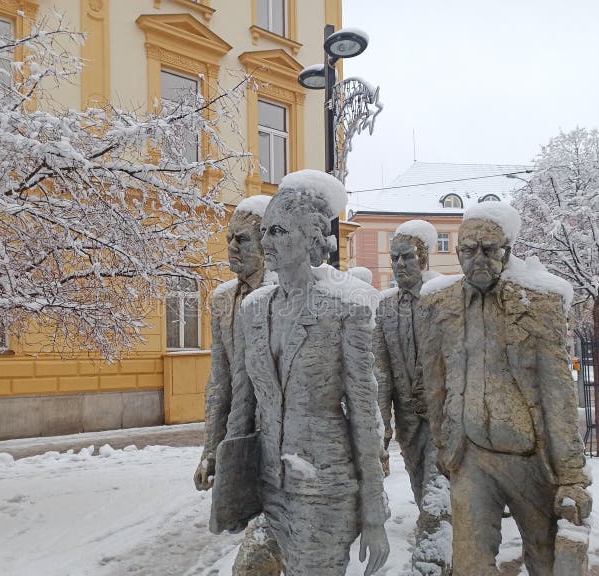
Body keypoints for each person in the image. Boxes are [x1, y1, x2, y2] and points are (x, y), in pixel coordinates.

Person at [225, 169, 389, 576]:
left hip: (325, 487)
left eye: (278, 231)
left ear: (311, 238)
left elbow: (365, 417)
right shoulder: (254, 311)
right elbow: (242, 401)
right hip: (270, 482)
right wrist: (228, 467)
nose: (266, 242)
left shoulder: (343, 311)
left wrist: (374, 514)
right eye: (265, 231)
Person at [420, 203, 591, 576]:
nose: (478, 259)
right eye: (468, 250)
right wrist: (444, 446)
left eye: (489, 249)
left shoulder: (539, 306)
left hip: (529, 457)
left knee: (544, 559)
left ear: (507, 252)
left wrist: (571, 477)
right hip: (470, 458)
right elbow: (434, 388)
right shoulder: (438, 306)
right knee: (469, 564)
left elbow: (558, 395)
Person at [193, 195, 281, 576]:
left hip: (285, 442)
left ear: (266, 242)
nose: (231, 247)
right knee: (249, 527)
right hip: (241, 441)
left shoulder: (289, 293)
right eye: (229, 238)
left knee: (263, 551)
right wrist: (212, 450)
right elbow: (220, 381)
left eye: (242, 239)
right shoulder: (221, 299)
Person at [373, 220, 451, 576]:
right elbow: (381, 373)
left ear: (423, 259)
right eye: (394, 258)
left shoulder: (442, 298)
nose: (399, 264)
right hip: (406, 417)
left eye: (406, 257)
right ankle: (437, 532)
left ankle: (437, 553)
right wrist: (383, 429)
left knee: (439, 485)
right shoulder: (384, 307)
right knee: (420, 481)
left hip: (442, 417)